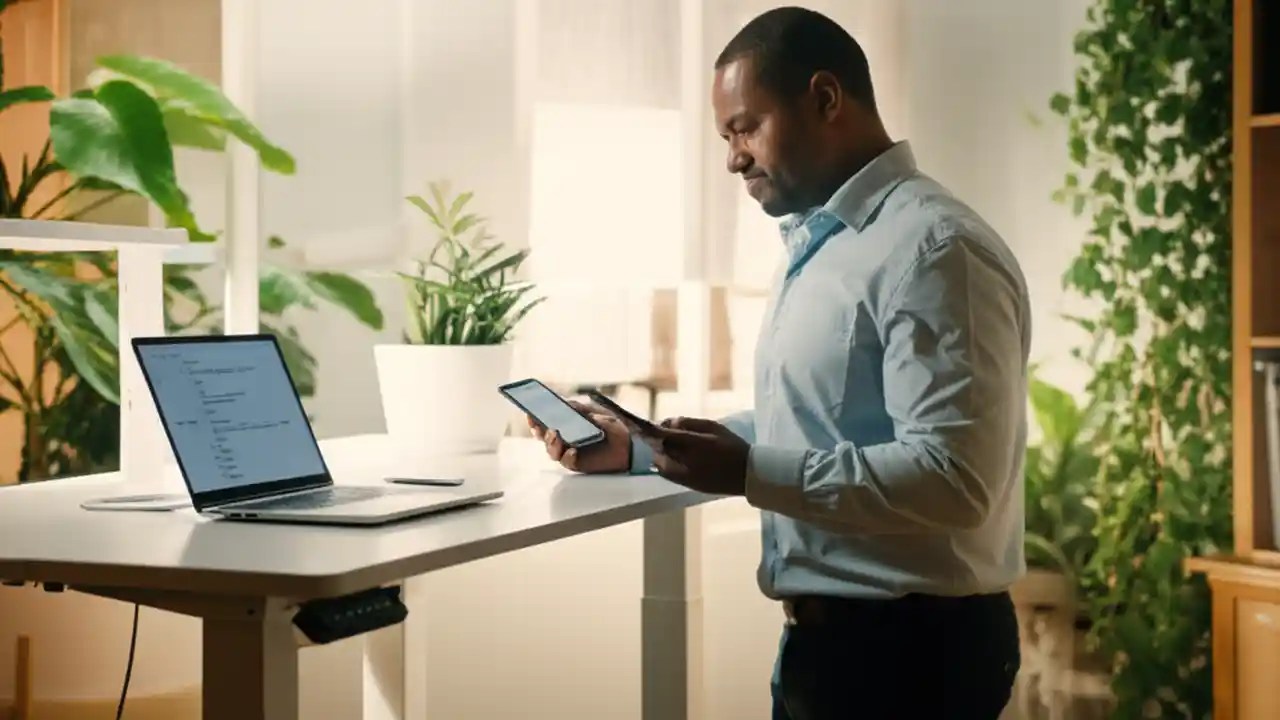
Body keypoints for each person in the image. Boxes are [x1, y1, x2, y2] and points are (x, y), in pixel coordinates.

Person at [530, 6, 1028, 719]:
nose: (732, 157)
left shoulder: (935, 250)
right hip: (827, 652)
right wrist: (640, 448)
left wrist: (748, 473)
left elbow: (954, 481)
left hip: (911, 661)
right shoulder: (824, 244)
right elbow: (815, 420)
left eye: (744, 127)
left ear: (825, 99)